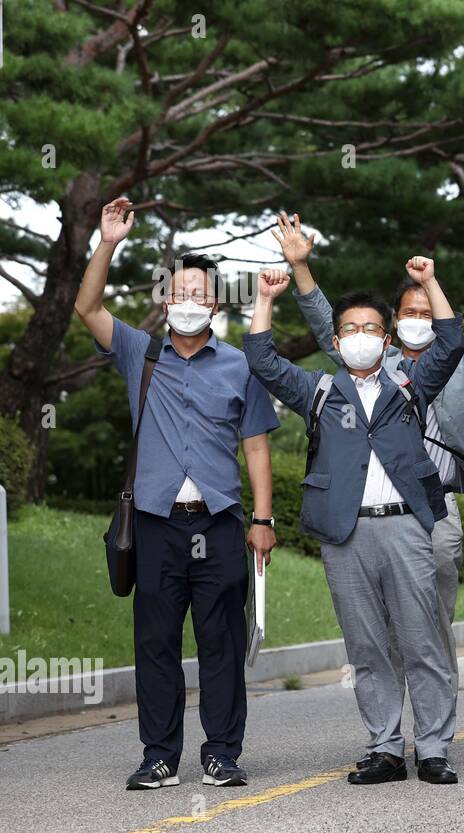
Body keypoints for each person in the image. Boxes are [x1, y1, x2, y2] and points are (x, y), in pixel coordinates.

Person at [74, 197, 279, 791]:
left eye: (200, 295)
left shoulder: (239, 365)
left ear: (215, 304)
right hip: (157, 522)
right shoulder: (140, 352)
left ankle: (221, 753)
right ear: (166, 301)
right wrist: (108, 241)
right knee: (156, 643)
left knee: (221, 643)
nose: (188, 303)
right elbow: (86, 306)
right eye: (178, 293)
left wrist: (262, 520)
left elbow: (258, 447)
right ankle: (159, 755)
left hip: (218, 523)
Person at [244, 258, 464, 786]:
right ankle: (386, 748)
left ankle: (434, 749)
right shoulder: (318, 390)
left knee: (423, 643)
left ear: (386, 338)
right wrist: (266, 299)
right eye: (349, 329)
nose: (360, 336)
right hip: (346, 535)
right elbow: (261, 358)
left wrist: (430, 281)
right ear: (336, 341)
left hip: (408, 528)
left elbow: (452, 341)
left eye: (370, 328)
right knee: (366, 647)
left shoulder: (411, 385)